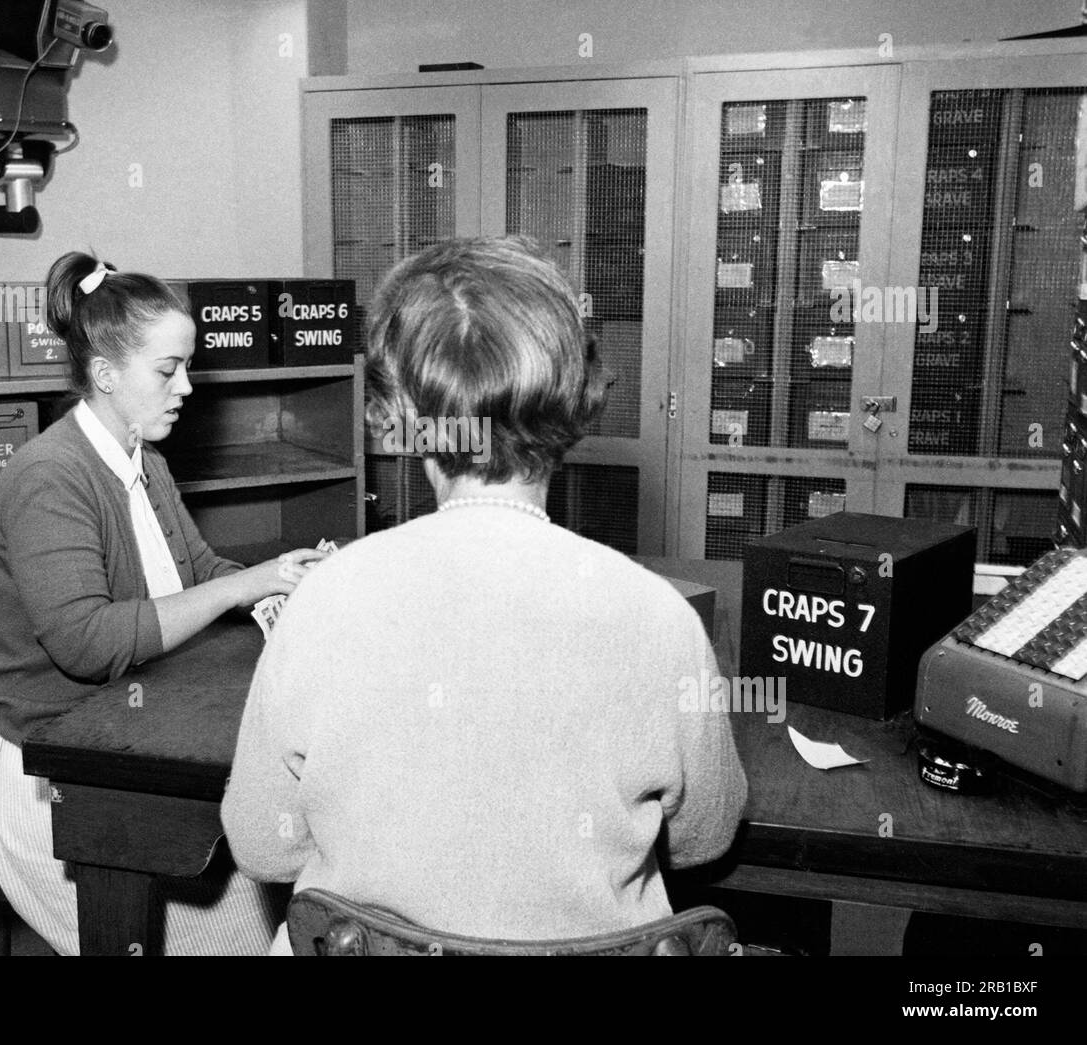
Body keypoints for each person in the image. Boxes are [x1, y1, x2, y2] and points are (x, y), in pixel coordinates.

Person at [222, 235, 748, 954]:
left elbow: (262, 845)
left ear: (401, 413)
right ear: (576, 399)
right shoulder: (659, 613)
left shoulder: (321, 599)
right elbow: (706, 836)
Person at [0, 251, 325, 955]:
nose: (189, 386)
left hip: (110, 731)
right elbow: (87, 640)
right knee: (191, 932)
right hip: (19, 751)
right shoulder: (49, 476)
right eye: (168, 369)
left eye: (189, 366)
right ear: (107, 374)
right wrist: (241, 584)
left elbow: (197, 570)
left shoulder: (146, 458)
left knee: (250, 886)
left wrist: (277, 580)